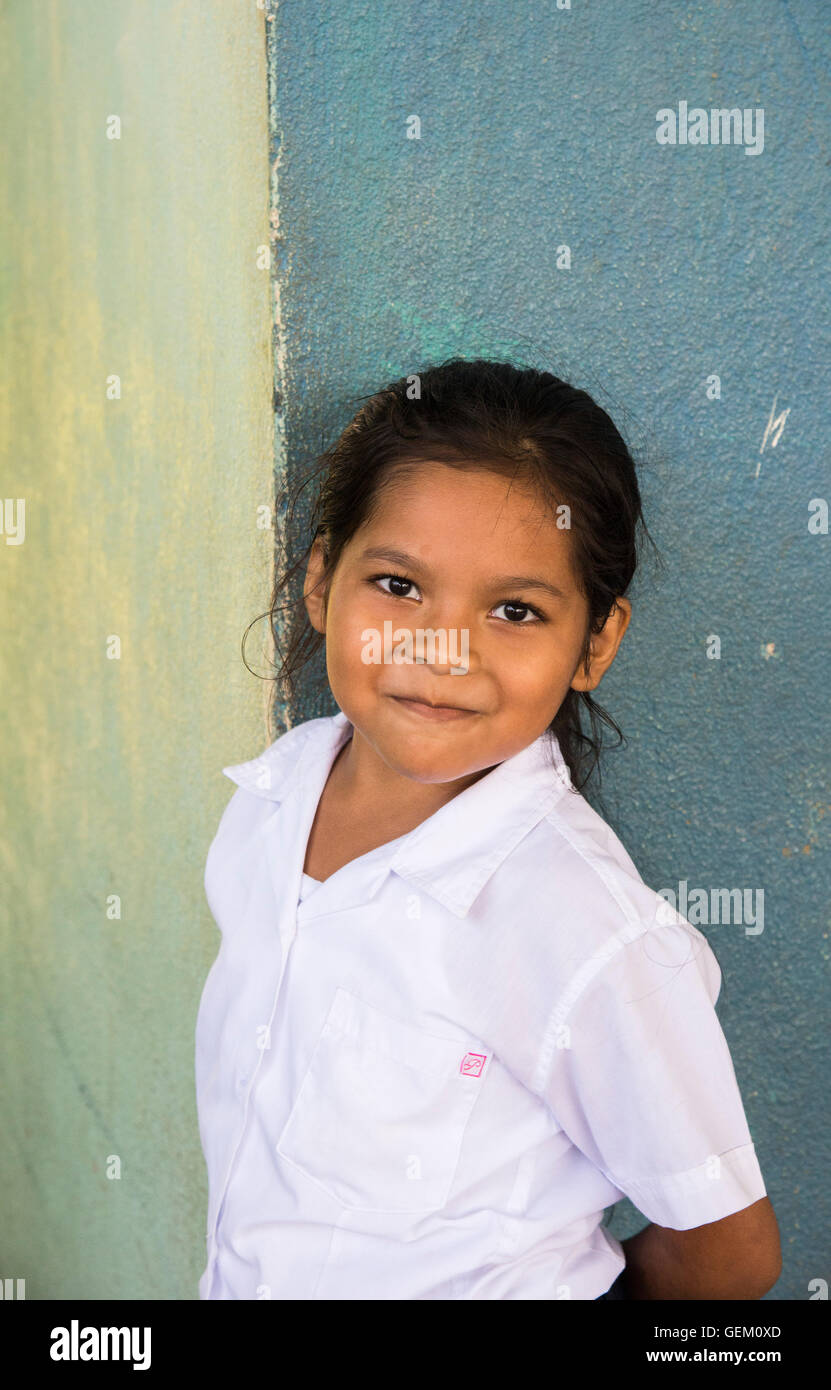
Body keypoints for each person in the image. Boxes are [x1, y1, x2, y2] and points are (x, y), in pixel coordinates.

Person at [195, 358, 781, 1300]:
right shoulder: (273, 797)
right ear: (318, 583)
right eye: (396, 586)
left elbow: (727, 1254)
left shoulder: (582, 928)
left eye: (514, 610)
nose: (440, 651)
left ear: (594, 643)